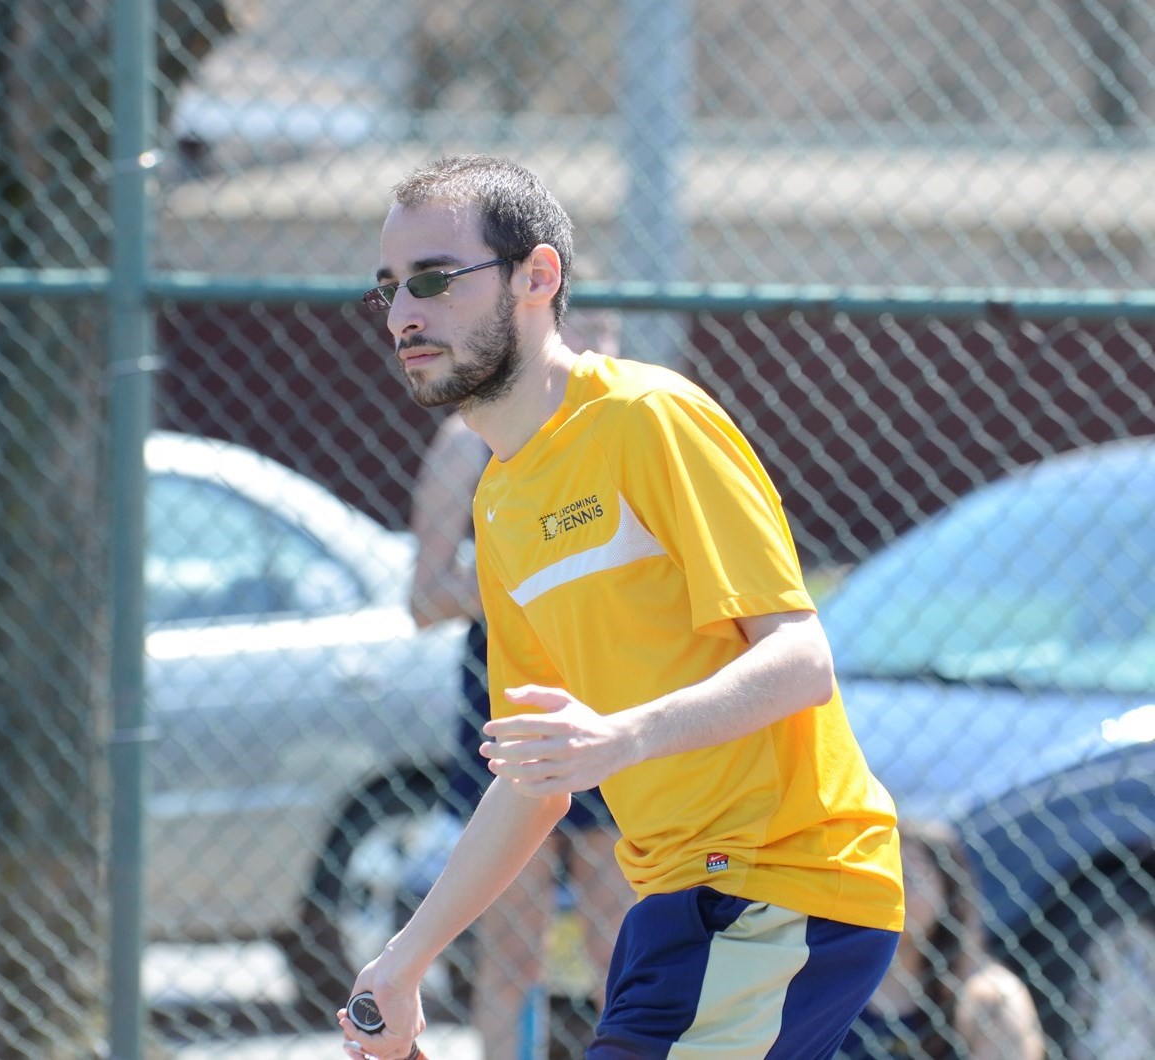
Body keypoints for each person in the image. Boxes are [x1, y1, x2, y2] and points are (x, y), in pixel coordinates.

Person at [339, 153, 905, 1060]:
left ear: (538, 277)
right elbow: (533, 778)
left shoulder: (649, 419)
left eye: (436, 280)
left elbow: (801, 660)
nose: (405, 313)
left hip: (783, 886)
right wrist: (404, 962)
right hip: (675, 907)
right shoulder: (501, 500)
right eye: (390, 290)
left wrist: (625, 736)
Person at [408, 308, 632, 1060]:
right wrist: (528, 563)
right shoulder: (468, 442)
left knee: (621, 947)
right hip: (512, 700)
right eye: (584, 330)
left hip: (612, 699)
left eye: (610, 333)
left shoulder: (628, 430)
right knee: (513, 953)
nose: (596, 349)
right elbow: (424, 597)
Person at [839, 820, 1045, 1059]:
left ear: (948, 891)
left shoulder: (991, 998)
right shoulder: (835, 980)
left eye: (907, 877)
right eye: (879, 877)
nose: (890, 891)